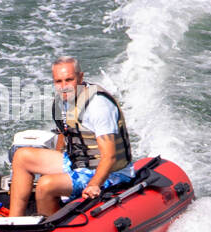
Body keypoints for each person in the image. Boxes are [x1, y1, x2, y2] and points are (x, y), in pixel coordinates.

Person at [8, 57, 135, 217]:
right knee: (21, 157)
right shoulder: (63, 101)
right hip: (79, 162)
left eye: (69, 80)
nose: (64, 87)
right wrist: (56, 168)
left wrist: (95, 184)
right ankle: (12, 222)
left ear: (80, 77)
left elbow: (109, 156)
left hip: (111, 173)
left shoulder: (98, 106)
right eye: (58, 81)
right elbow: (65, 135)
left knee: (45, 185)